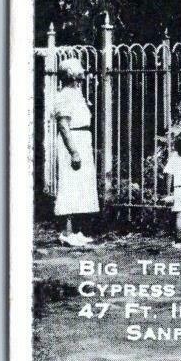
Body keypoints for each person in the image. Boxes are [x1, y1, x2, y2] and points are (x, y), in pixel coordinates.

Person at [53, 57, 100, 246]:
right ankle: (66, 232)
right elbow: (63, 126)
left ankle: (76, 231)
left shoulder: (76, 92)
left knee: (81, 185)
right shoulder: (64, 95)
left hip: (82, 138)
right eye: (79, 68)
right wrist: (73, 151)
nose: (83, 70)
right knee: (70, 184)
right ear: (71, 73)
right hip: (72, 140)